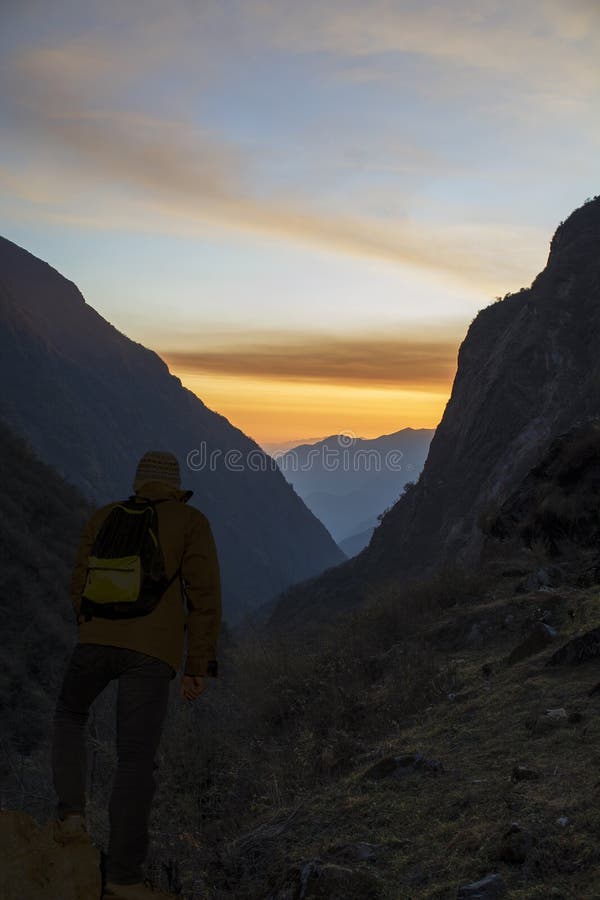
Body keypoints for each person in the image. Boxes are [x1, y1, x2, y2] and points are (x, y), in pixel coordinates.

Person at [51, 450, 222, 900]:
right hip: (151, 655)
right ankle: (123, 878)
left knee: (70, 714)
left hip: (94, 643)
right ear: (175, 485)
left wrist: (92, 629)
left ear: (139, 482)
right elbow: (204, 598)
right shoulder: (190, 522)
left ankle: (70, 814)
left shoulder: (105, 516)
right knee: (135, 760)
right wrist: (197, 666)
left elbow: (78, 581)